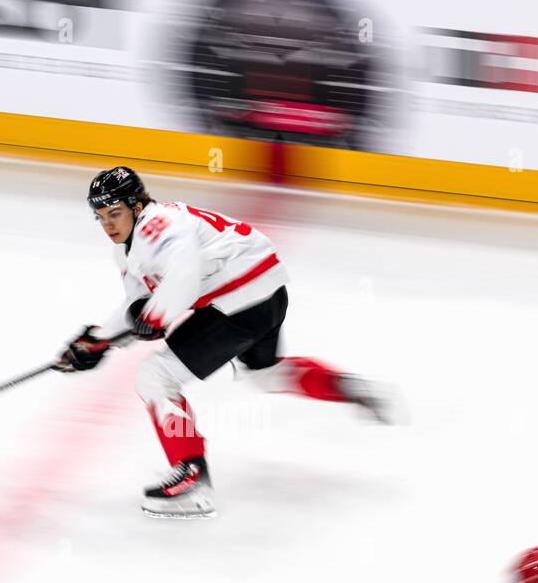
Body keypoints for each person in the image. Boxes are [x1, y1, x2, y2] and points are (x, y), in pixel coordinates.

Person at [57, 166, 395, 518]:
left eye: (115, 213)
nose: (108, 224)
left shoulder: (158, 225)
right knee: (265, 375)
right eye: (101, 217)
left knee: (155, 377)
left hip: (239, 302)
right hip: (265, 294)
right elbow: (137, 304)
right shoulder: (133, 244)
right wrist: (96, 341)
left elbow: (182, 279)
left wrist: (156, 317)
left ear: (137, 206)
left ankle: (192, 479)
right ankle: (343, 386)